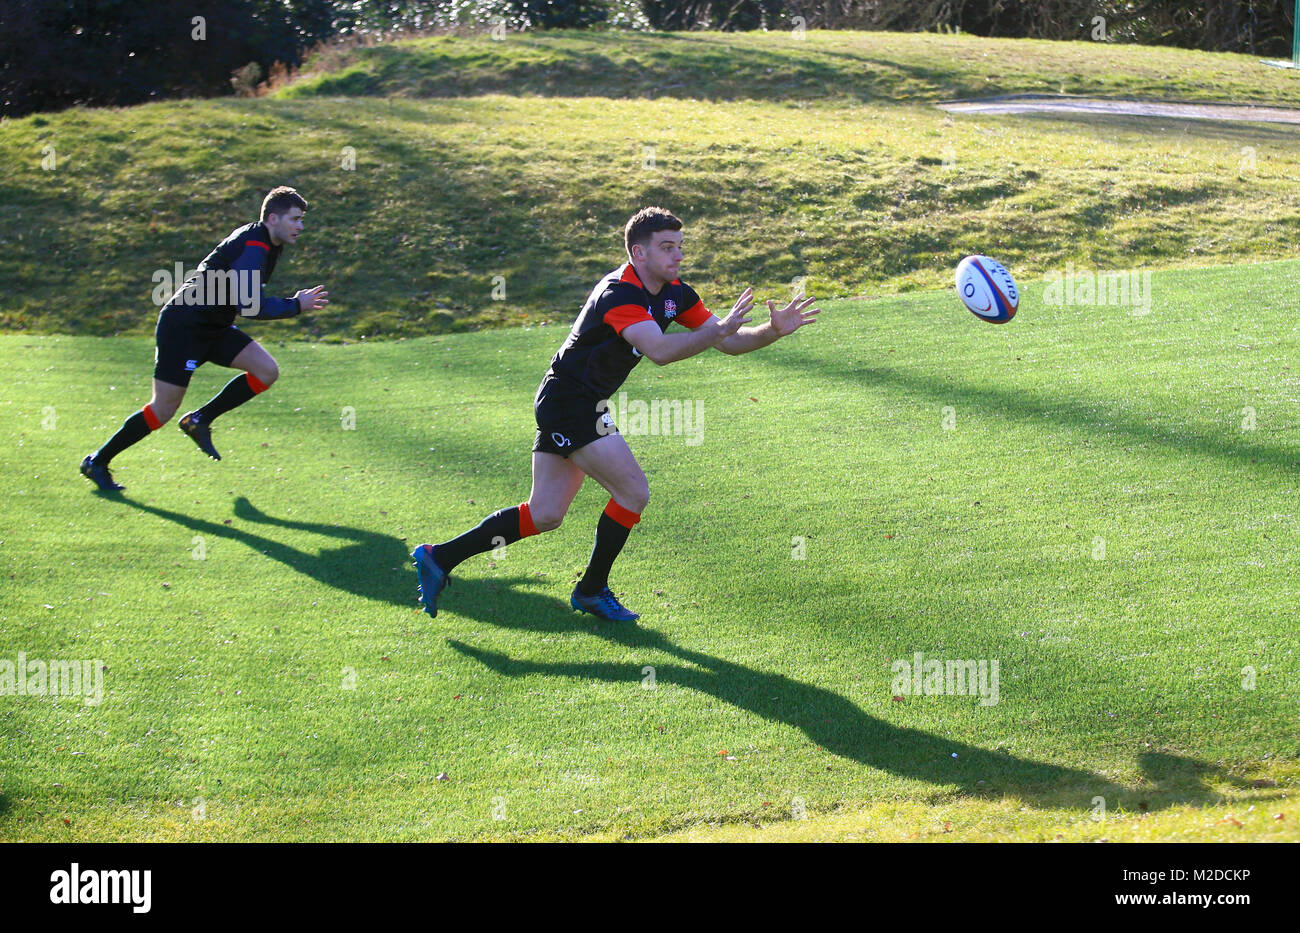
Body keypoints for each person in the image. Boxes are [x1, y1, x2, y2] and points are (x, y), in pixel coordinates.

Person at [412, 206, 820, 622]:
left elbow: (729, 342)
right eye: (666, 247)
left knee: (545, 514)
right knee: (633, 492)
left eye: (679, 246)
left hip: (576, 403)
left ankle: (438, 556)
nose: (677, 256)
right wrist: (715, 331)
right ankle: (591, 590)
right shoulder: (619, 293)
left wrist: (772, 331)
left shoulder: (676, 292)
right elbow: (660, 350)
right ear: (638, 253)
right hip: (570, 404)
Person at [79, 186, 328, 491]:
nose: (300, 226)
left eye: (302, 219)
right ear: (273, 218)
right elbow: (248, 305)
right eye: (295, 219)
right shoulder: (254, 245)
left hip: (214, 326)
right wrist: (295, 305)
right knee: (162, 410)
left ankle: (199, 420)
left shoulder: (267, 242)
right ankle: (97, 461)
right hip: (184, 327)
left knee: (266, 371)